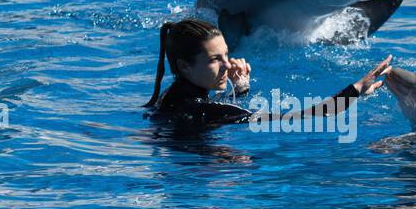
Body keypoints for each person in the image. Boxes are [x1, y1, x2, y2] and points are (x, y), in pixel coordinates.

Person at [142, 18, 389, 128]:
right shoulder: (197, 108)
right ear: (184, 65)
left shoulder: (172, 97)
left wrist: (241, 89)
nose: (228, 66)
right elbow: (297, 118)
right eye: (215, 60)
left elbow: (213, 113)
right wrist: (355, 91)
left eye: (227, 55)